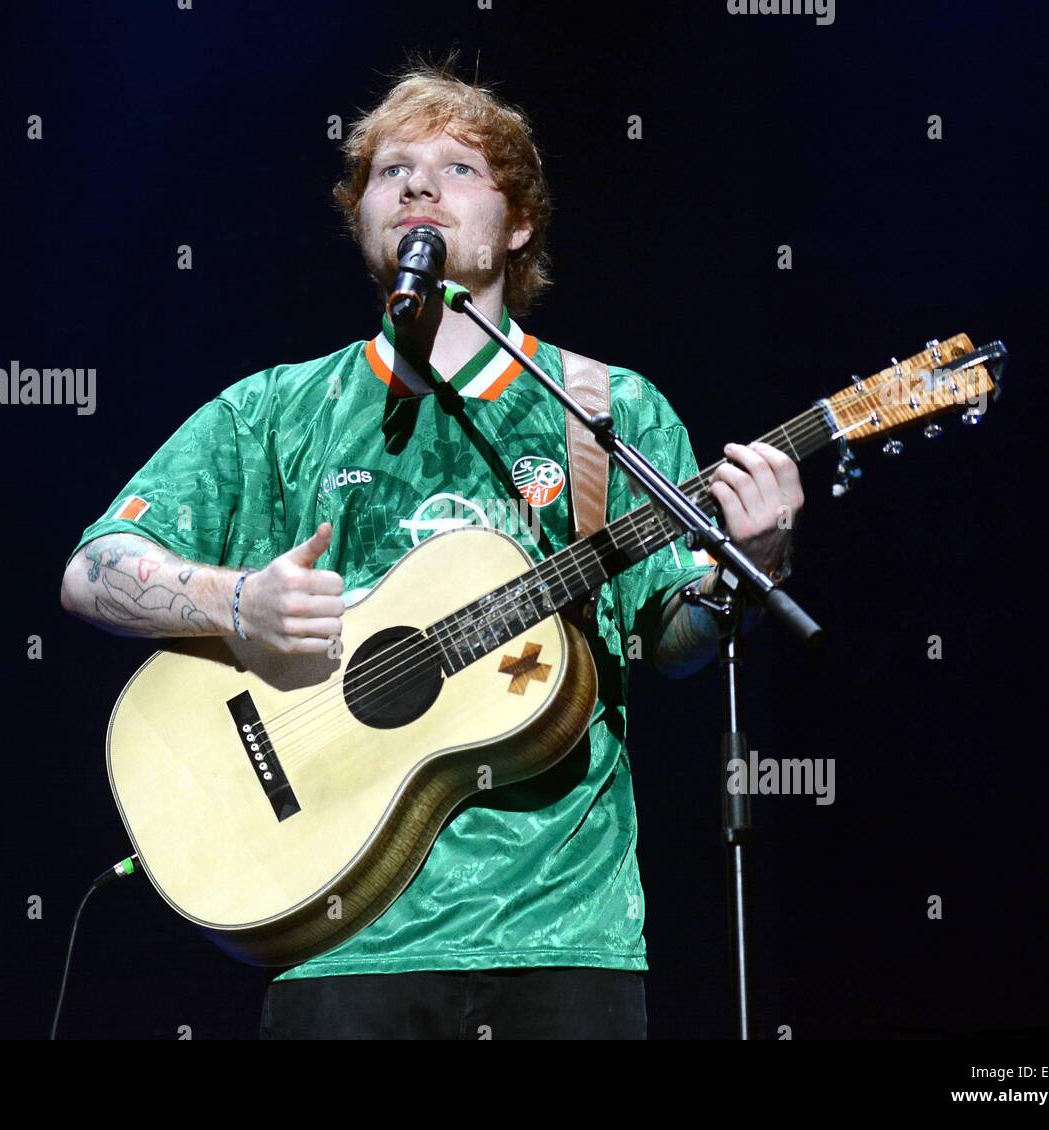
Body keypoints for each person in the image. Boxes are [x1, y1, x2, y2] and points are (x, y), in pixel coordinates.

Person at [59, 57, 804, 1040]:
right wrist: (233, 601)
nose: (415, 183)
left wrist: (750, 563)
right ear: (360, 219)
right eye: (387, 171)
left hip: (562, 937)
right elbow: (93, 566)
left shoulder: (607, 412)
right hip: (339, 927)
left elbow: (670, 643)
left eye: (457, 169)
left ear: (520, 221)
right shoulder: (280, 410)